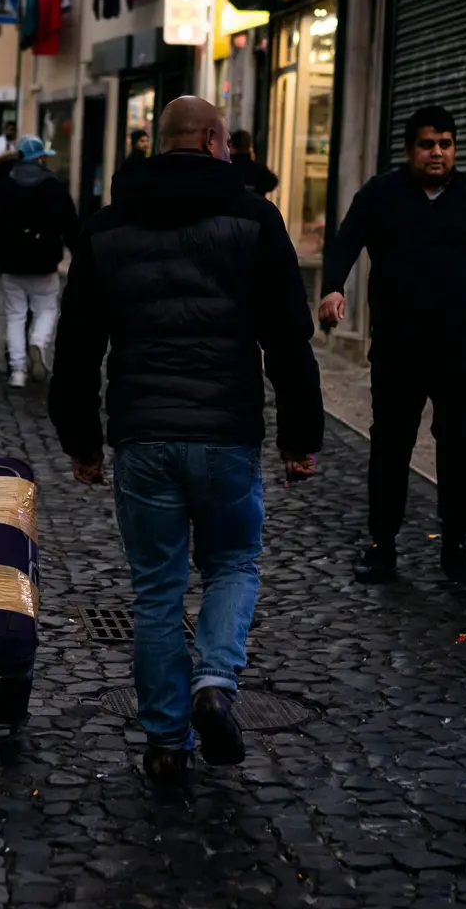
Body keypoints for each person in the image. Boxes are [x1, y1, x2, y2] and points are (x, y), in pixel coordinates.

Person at [49, 96, 322, 789]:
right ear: (212, 140)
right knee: (233, 562)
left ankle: (166, 741)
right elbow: (289, 338)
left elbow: (78, 344)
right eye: (226, 141)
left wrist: (81, 438)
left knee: (156, 591)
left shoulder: (107, 227)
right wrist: (300, 435)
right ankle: (216, 681)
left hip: (142, 433)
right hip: (226, 429)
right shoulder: (254, 219)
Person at [320, 105, 466, 588]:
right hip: (397, 347)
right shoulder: (382, 195)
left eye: (446, 144)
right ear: (410, 149)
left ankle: (455, 545)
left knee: (459, 449)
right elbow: (345, 241)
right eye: (428, 144)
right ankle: (382, 546)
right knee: (390, 448)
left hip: (458, 350)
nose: (438, 153)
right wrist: (332, 287)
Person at [0, 136, 79, 388]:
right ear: (40, 157)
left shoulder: (4, 185)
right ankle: (37, 343)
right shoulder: (53, 186)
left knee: (15, 315)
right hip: (44, 260)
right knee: (46, 309)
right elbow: (70, 224)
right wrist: (81, 254)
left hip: (11, 261)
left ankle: (18, 371)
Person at [228, 129, 280, 198]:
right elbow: (273, 182)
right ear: (250, 146)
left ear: (232, 146)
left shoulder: (227, 168)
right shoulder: (259, 170)